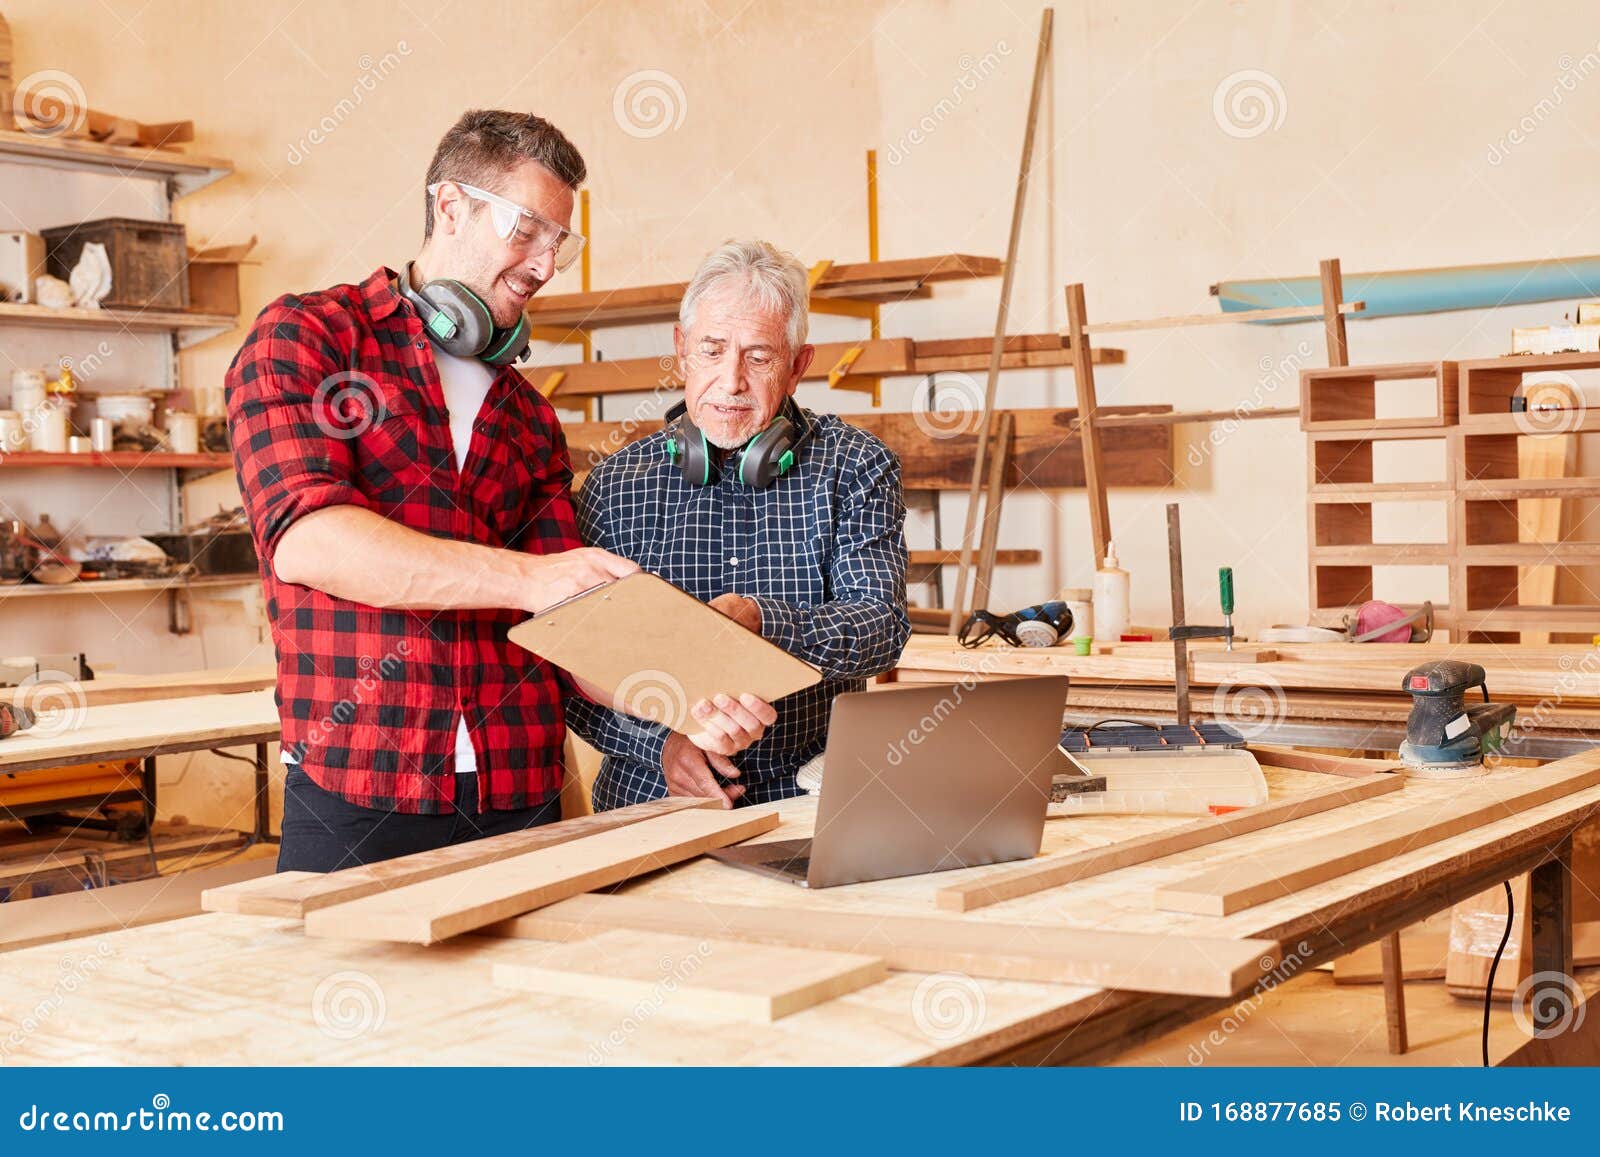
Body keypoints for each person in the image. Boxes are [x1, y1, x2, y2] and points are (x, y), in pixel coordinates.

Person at [227, 111, 771, 872]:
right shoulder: (309, 338)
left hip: (518, 786)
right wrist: (533, 579)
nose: (546, 265)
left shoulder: (527, 415)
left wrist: (687, 697)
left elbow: (573, 628)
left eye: (561, 243)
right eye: (528, 230)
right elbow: (309, 540)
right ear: (451, 206)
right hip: (359, 780)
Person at [568, 239, 910, 809]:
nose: (731, 381)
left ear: (798, 366)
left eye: (759, 358)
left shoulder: (855, 465)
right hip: (649, 801)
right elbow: (571, 661)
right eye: (711, 350)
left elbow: (881, 627)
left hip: (807, 800)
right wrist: (662, 746)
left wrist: (761, 623)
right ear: (681, 351)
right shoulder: (614, 484)